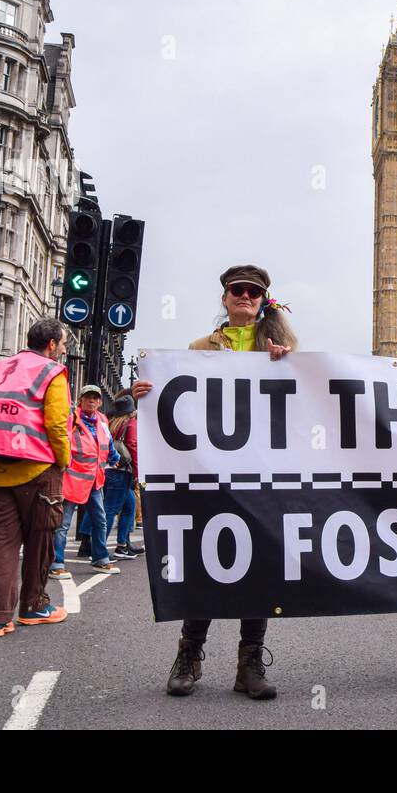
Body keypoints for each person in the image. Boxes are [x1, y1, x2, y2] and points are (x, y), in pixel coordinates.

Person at [132, 264, 295, 700]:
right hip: (209, 475)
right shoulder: (198, 347)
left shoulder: (282, 348)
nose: (245, 296)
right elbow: (180, 404)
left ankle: (250, 664)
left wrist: (287, 362)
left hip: (262, 476)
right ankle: (189, 655)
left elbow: (303, 403)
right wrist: (147, 397)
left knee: (259, 569)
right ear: (225, 298)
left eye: (254, 292)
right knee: (205, 560)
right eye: (238, 290)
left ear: (263, 301)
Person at [0, 319, 73, 637]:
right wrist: (63, 460)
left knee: (3, 543)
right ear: (51, 344)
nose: (63, 350)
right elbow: (57, 423)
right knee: (40, 540)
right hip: (38, 468)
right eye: (62, 344)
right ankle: (34, 606)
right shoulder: (52, 372)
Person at [52, 386, 119, 578]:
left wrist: (115, 457)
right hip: (73, 479)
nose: (92, 401)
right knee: (63, 524)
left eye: (95, 398)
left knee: (100, 520)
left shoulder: (103, 420)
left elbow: (108, 443)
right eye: (88, 397)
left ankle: (100, 559)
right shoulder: (71, 419)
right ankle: (56, 563)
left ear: (99, 402)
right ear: (81, 400)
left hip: (95, 479)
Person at [103, 394, 142, 560]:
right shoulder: (131, 424)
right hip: (122, 471)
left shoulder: (113, 424)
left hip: (112, 469)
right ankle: (100, 549)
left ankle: (122, 546)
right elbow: (133, 445)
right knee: (110, 511)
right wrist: (138, 472)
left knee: (129, 507)